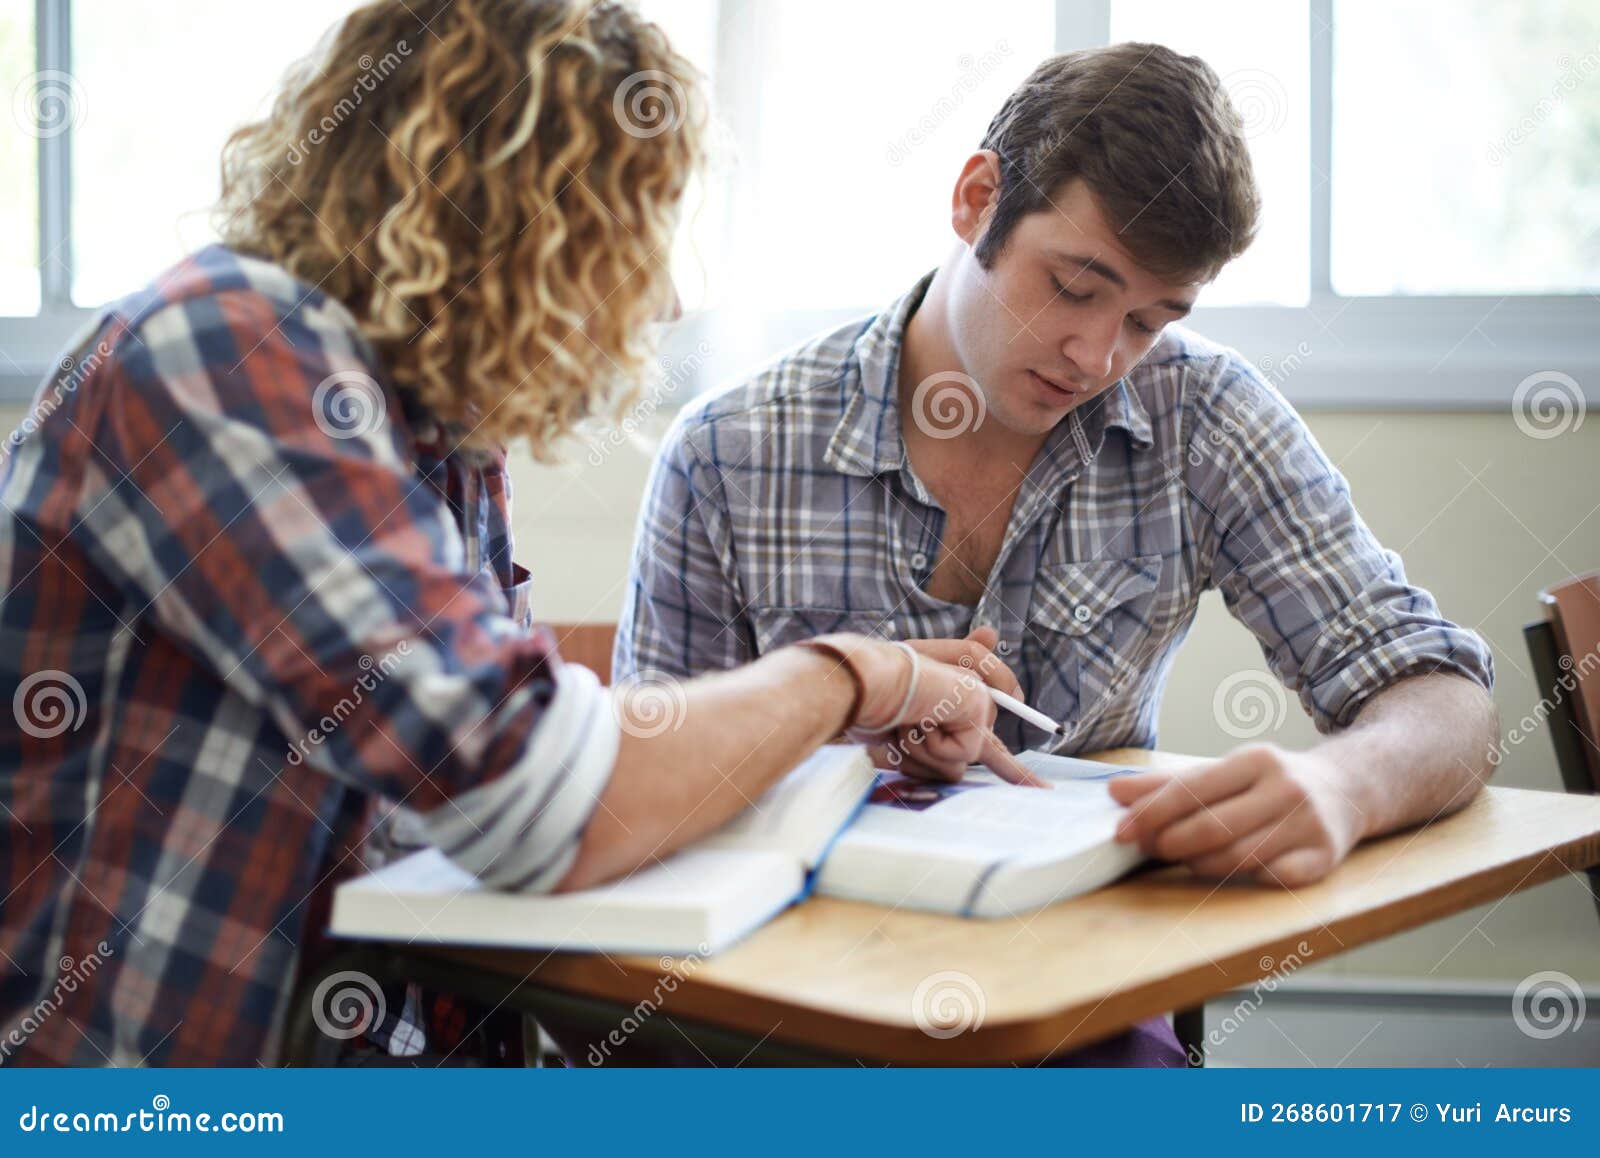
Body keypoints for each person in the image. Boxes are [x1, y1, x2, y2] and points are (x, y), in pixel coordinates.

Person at [0, 0, 1034, 1068]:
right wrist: (856, 675)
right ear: (511, 215)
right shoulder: (226, 353)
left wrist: (830, 734)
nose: (668, 294)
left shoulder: (438, 437)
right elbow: (543, 794)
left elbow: (519, 763)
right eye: (636, 230)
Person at [621, 47, 1499, 925]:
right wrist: (841, 720)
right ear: (976, 201)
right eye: (1074, 288)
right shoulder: (727, 453)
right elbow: (635, 801)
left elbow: (1442, 695)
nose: (1098, 357)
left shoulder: (1203, 416)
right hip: (791, 1000)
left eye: (1149, 322)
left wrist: (1344, 785)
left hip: (1088, 993)